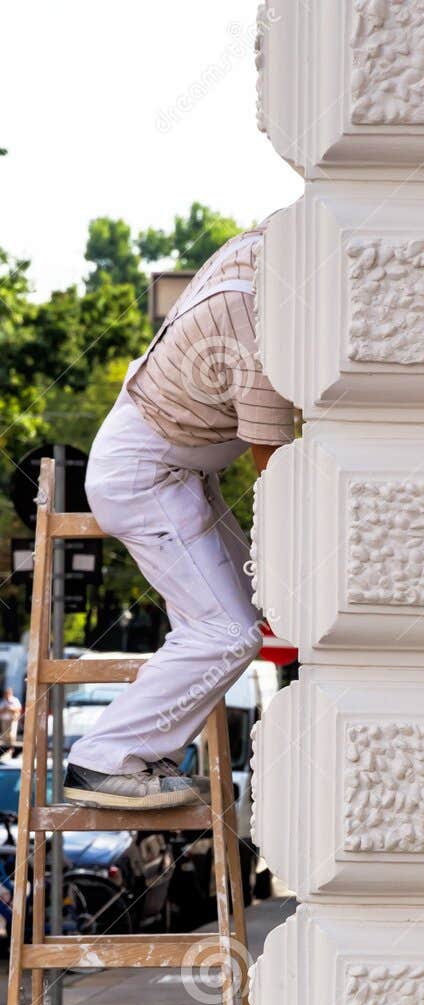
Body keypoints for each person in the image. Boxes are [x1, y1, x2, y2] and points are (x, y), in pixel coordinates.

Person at [64, 224, 293, 810]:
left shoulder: (264, 249)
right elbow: (279, 473)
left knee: (244, 619)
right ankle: (104, 760)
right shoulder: (259, 327)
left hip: (174, 470)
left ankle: (147, 753)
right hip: (149, 477)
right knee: (229, 632)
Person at [0, 686, 22, 761]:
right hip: (4, 719)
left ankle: (11, 749)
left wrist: (9, 709)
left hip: (12, 719)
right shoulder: (3, 701)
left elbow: (18, 709)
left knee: (12, 734)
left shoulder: (15, 700)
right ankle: (6, 750)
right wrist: (5, 709)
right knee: (5, 735)